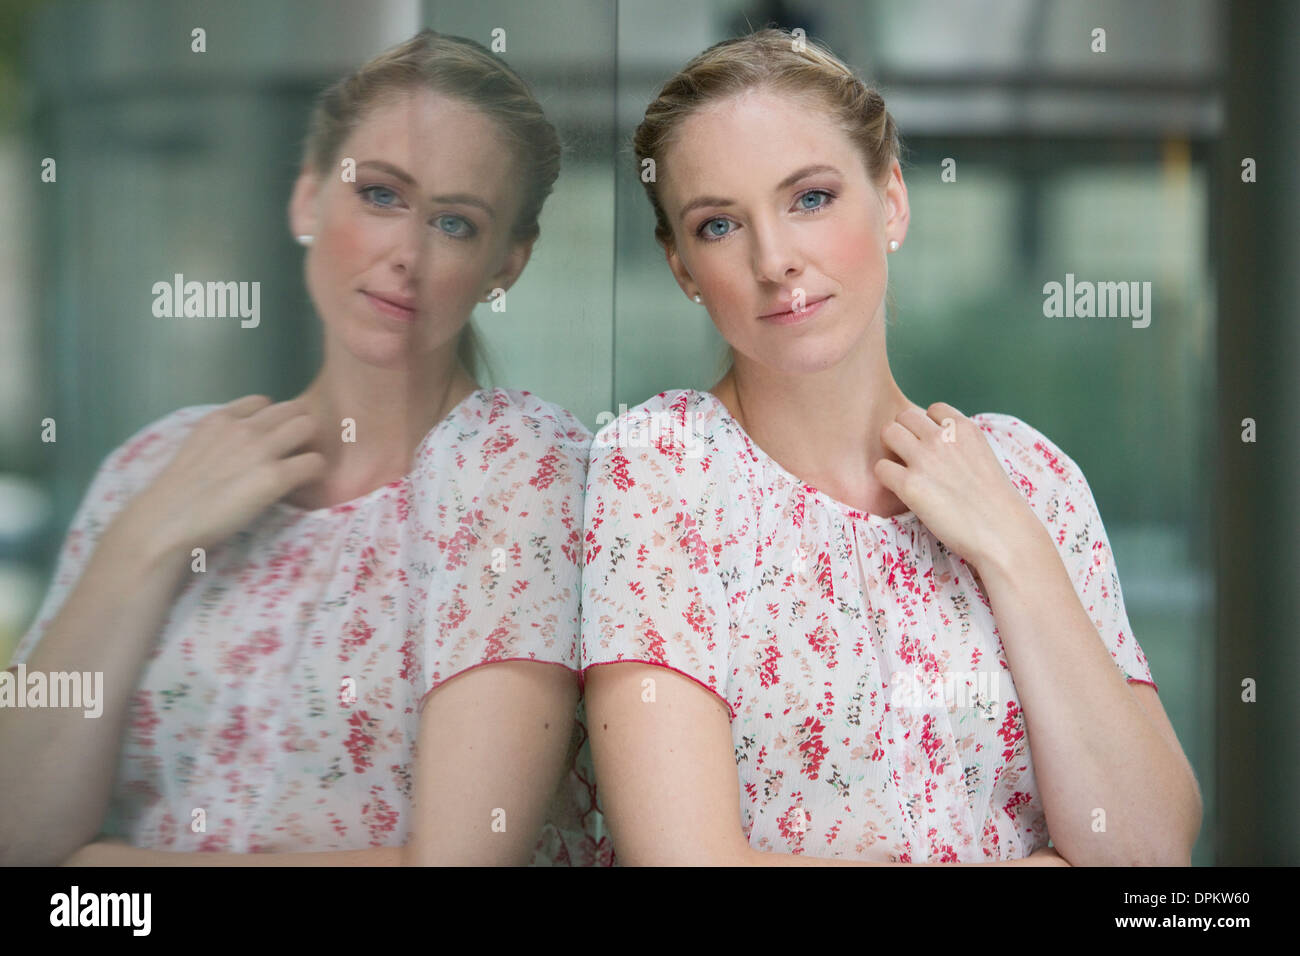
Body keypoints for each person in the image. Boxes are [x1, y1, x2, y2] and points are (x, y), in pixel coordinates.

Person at [579, 28, 1201, 866]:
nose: (776, 260)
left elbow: (1151, 859)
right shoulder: (660, 470)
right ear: (682, 266)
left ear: (894, 201)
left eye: (810, 198)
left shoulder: (1029, 476)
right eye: (720, 224)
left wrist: (1011, 548)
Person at [1, 29, 609, 866]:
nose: (405, 253)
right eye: (381, 196)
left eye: (456, 223)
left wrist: (107, 874)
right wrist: (145, 542)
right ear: (306, 200)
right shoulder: (159, 464)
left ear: (507, 263)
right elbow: (17, 834)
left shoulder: (521, 470)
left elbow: (458, 863)